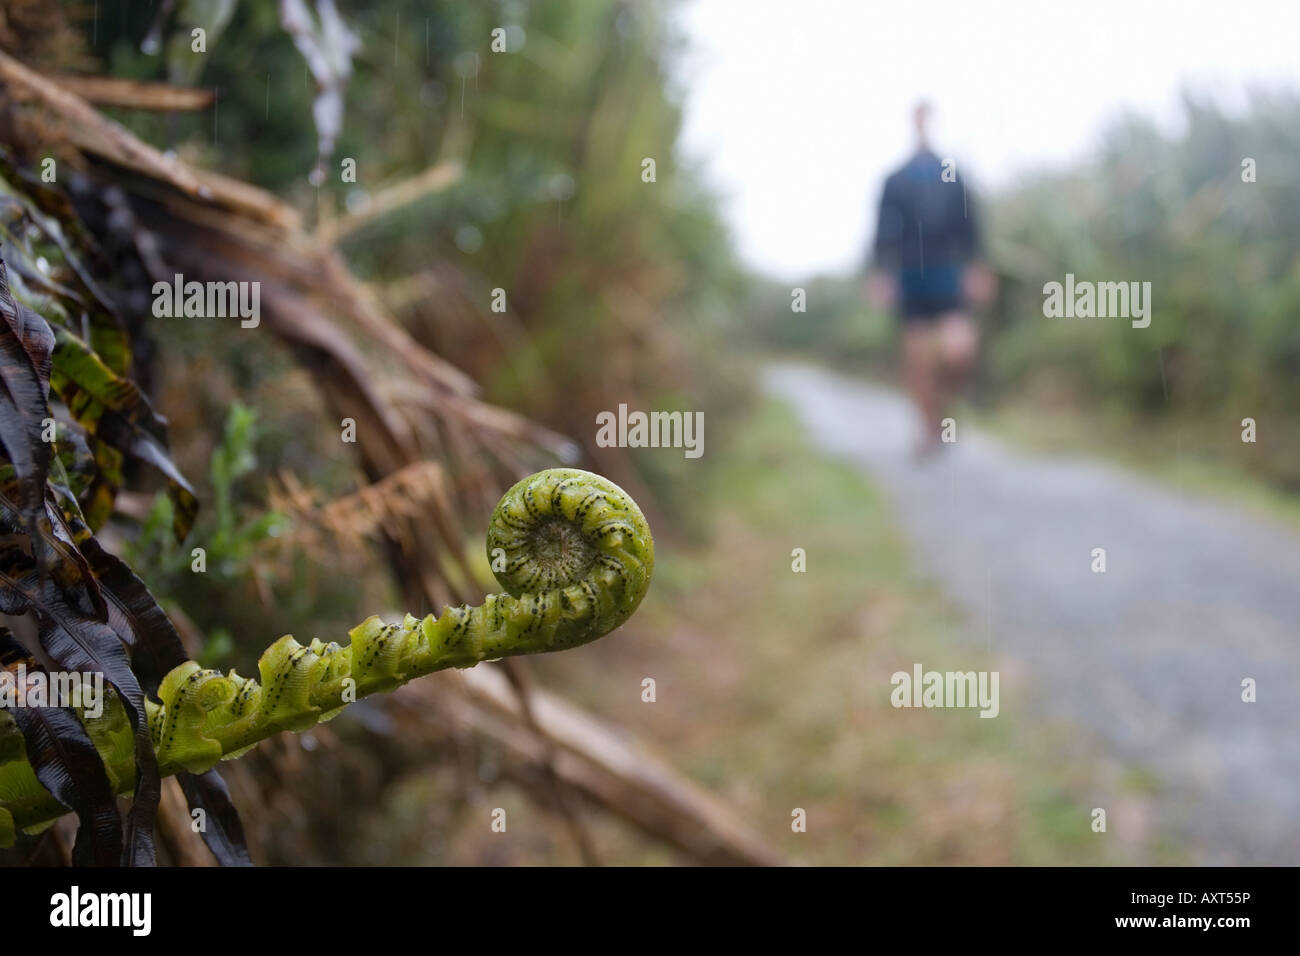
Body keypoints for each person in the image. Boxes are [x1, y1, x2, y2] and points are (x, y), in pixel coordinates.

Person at [864, 101, 996, 458]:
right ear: (912, 123)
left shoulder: (951, 173)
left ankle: (945, 408)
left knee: (959, 352)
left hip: (948, 274)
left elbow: (972, 222)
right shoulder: (895, 178)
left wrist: (979, 266)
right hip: (910, 277)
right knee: (919, 358)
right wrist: (879, 274)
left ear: (933, 122)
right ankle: (928, 428)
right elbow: (881, 231)